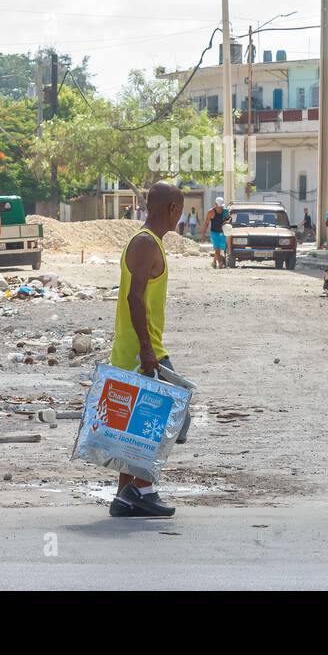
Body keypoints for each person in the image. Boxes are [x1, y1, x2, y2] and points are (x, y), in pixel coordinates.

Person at [107, 181, 186, 518]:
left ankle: (126, 496)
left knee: (139, 427)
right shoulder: (145, 243)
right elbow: (134, 297)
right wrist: (147, 351)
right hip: (142, 349)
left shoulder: (149, 243)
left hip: (142, 346)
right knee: (166, 420)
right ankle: (142, 489)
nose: (179, 218)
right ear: (171, 208)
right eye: (179, 210)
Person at [207, 197, 230, 269]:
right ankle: (220, 263)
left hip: (222, 232)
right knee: (217, 249)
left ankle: (214, 262)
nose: (220, 208)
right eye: (219, 206)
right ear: (215, 204)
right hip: (214, 233)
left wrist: (227, 221)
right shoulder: (211, 212)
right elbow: (206, 223)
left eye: (221, 206)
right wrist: (203, 233)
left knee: (220, 249)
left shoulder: (225, 211)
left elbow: (229, 218)